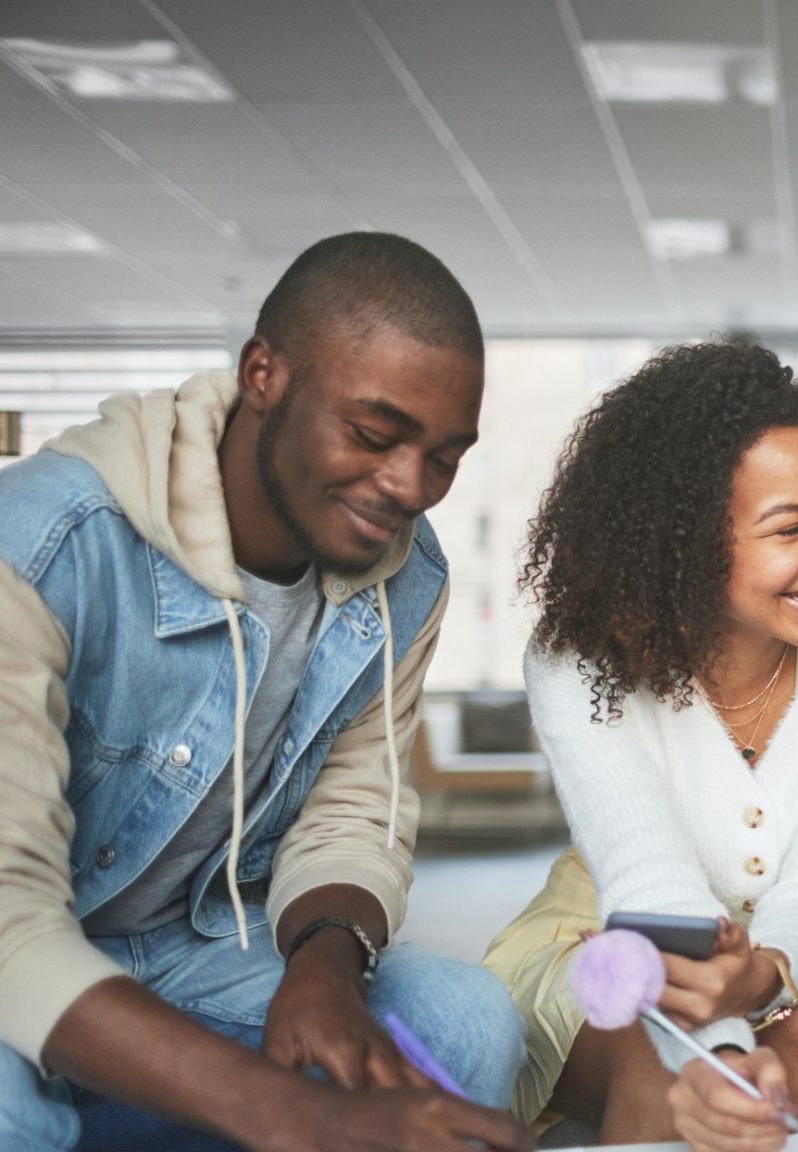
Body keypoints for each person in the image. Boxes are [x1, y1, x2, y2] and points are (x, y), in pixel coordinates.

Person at [0, 233, 531, 1152]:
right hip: (28, 937)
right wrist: (295, 1111)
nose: (409, 487)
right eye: (372, 434)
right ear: (263, 375)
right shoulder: (45, 544)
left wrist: (326, 962)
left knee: (463, 1021)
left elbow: (355, 813)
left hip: (185, 947)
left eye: (443, 456)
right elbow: (9, 922)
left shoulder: (407, 578)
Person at [480, 339, 798, 1148]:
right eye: (790, 527)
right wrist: (719, 1042)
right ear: (679, 542)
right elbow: (648, 880)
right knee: (668, 1067)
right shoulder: (576, 658)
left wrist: (768, 975)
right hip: (619, 936)